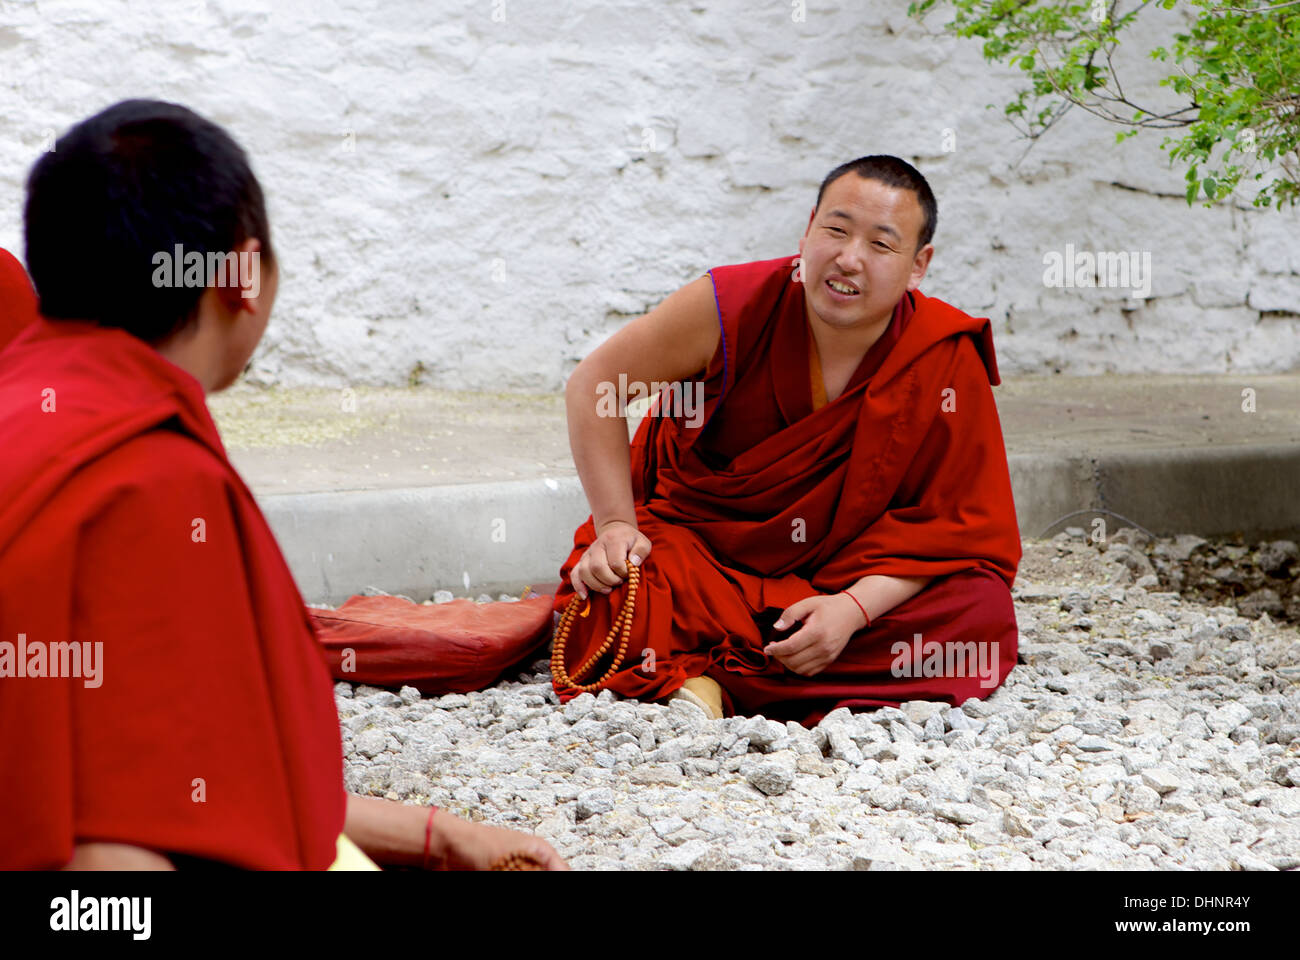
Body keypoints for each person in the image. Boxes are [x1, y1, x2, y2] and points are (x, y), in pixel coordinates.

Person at [0, 100, 565, 871]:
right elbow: (106, 853)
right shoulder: (152, 481)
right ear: (240, 277)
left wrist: (436, 835)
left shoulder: (29, 398)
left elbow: (199, 778)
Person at [555, 155, 1021, 726]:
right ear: (808, 228)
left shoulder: (942, 354)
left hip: (846, 577)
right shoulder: (731, 304)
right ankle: (772, 677)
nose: (849, 258)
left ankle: (701, 675)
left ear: (918, 264)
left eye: (881, 244)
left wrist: (852, 610)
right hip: (707, 557)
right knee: (617, 584)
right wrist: (615, 528)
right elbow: (595, 386)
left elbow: (957, 531)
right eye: (836, 229)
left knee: (979, 612)